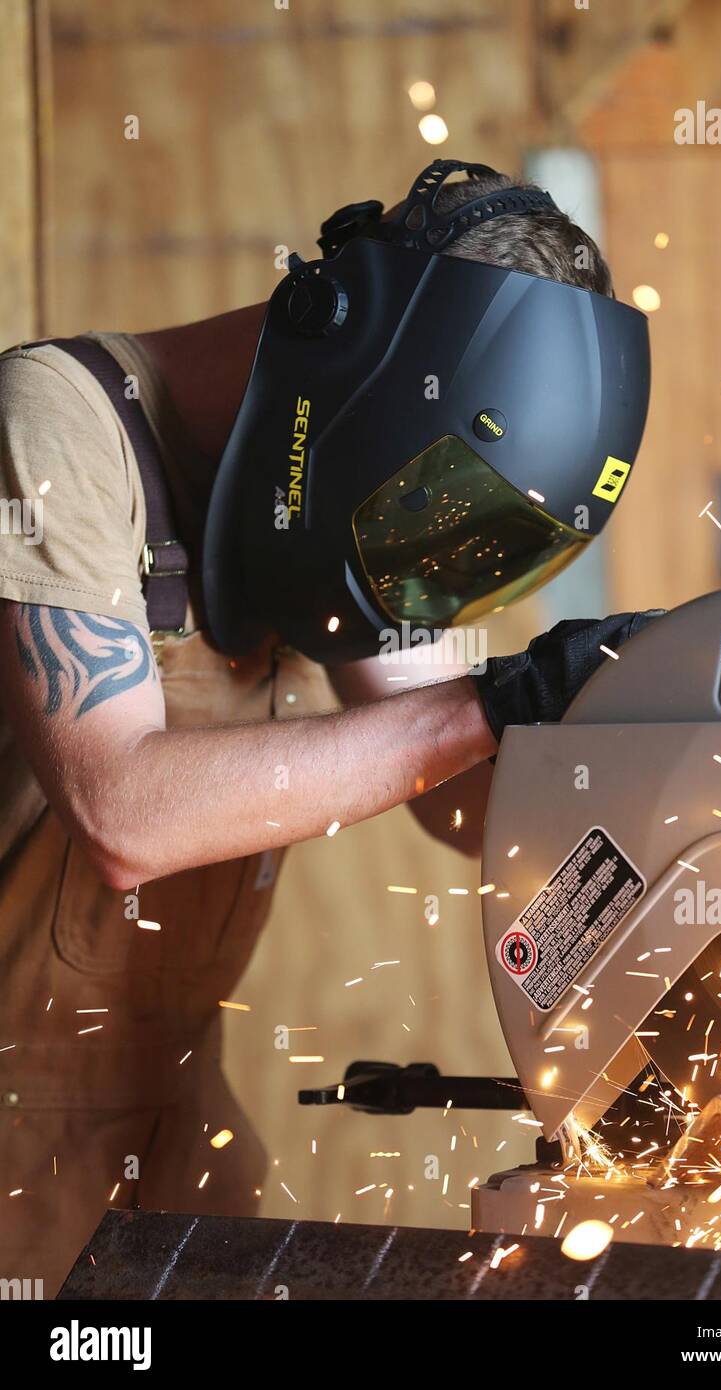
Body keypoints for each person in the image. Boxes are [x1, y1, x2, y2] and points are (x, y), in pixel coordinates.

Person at [0, 159, 652, 1294]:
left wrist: (660, 749)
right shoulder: (57, 425)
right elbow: (121, 814)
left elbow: (455, 793)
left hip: (177, 1130)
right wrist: (494, 698)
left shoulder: (340, 511)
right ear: (348, 367)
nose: (415, 561)